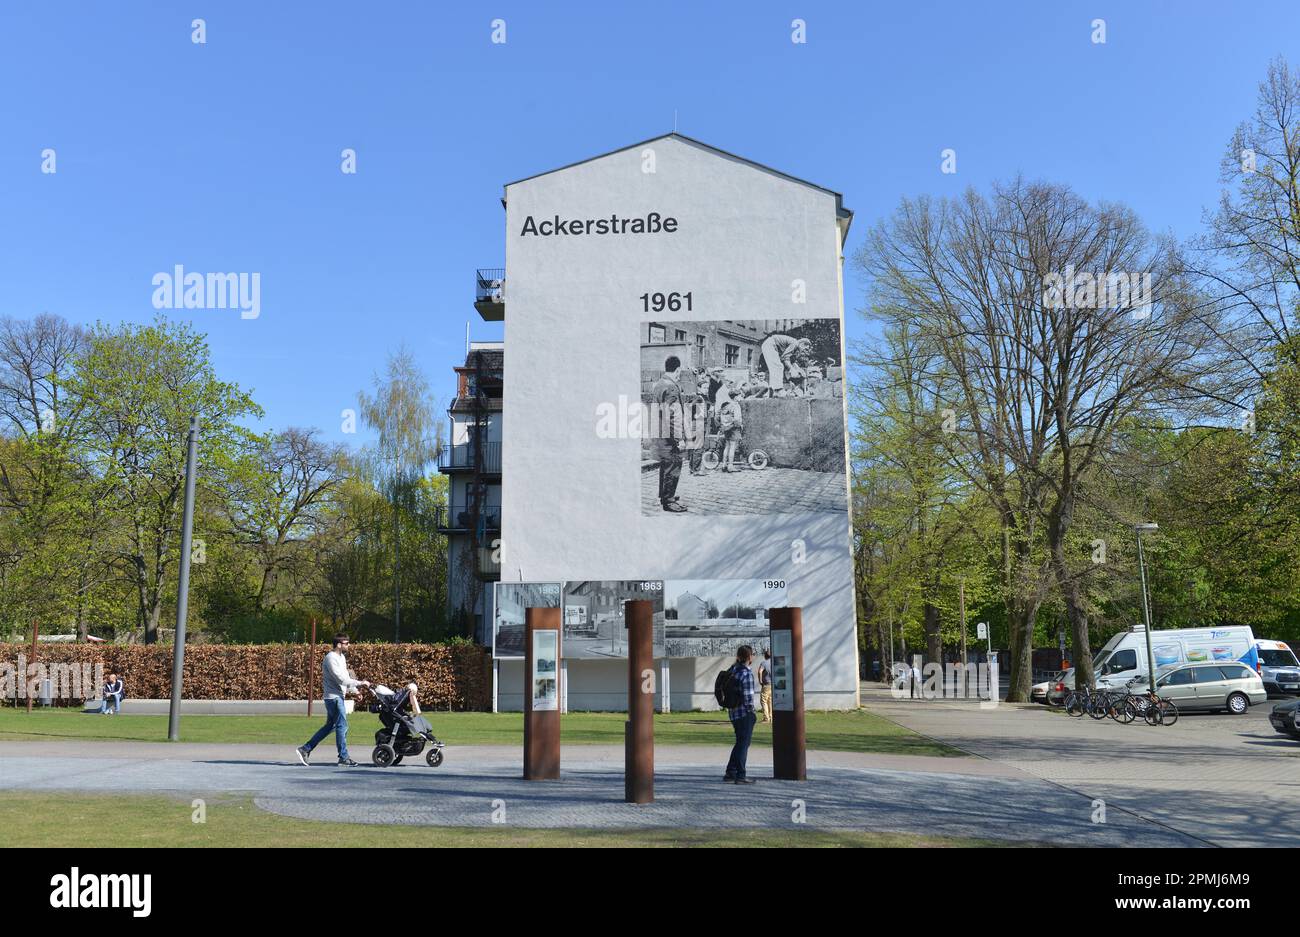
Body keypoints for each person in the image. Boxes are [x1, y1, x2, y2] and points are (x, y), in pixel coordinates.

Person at [297, 633, 370, 766]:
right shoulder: (330, 658)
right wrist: (360, 683)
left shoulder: (341, 657)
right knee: (342, 726)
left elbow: (345, 678)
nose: (349, 645)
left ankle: (305, 749)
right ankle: (343, 757)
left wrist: (355, 691)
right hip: (334, 698)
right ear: (338, 644)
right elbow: (340, 679)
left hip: (338, 697)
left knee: (331, 726)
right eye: (346, 643)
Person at [650, 355, 687, 512]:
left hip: (660, 432)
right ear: (677, 370)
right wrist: (678, 439)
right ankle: (669, 500)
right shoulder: (671, 387)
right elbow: (673, 416)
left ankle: (664, 495)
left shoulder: (659, 384)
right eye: (680, 372)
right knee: (673, 465)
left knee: (666, 466)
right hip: (669, 435)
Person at [723, 645, 758, 784]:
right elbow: (748, 697)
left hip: (733, 713)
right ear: (749, 657)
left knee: (740, 743)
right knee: (744, 744)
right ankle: (741, 775)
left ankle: (730, 772)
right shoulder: (746, 674)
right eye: (753, 654)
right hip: (744, 714)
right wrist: (752, 712)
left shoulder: (732, 670)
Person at [716, 383, 744, 472]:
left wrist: (723, 425)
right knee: (732, 447)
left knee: (727, 446)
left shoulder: (726, 405)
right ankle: (730, 466)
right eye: (740, 395)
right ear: (735, 397)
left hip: (726, 428)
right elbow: (737, 419)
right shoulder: (736, 405)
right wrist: (740, 425)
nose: (741, 397)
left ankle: (724, 464)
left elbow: (718, 416)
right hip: (734, 429)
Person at [757, 649, 774, 723]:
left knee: (763, 701)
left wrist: (760, 681)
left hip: (766, 684)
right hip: (773, 685)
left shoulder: (764, 663)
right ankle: (771, 717)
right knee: (770, 701)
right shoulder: (774, 662)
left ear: (765, 656)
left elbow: (759, 671)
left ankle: (766, 718)